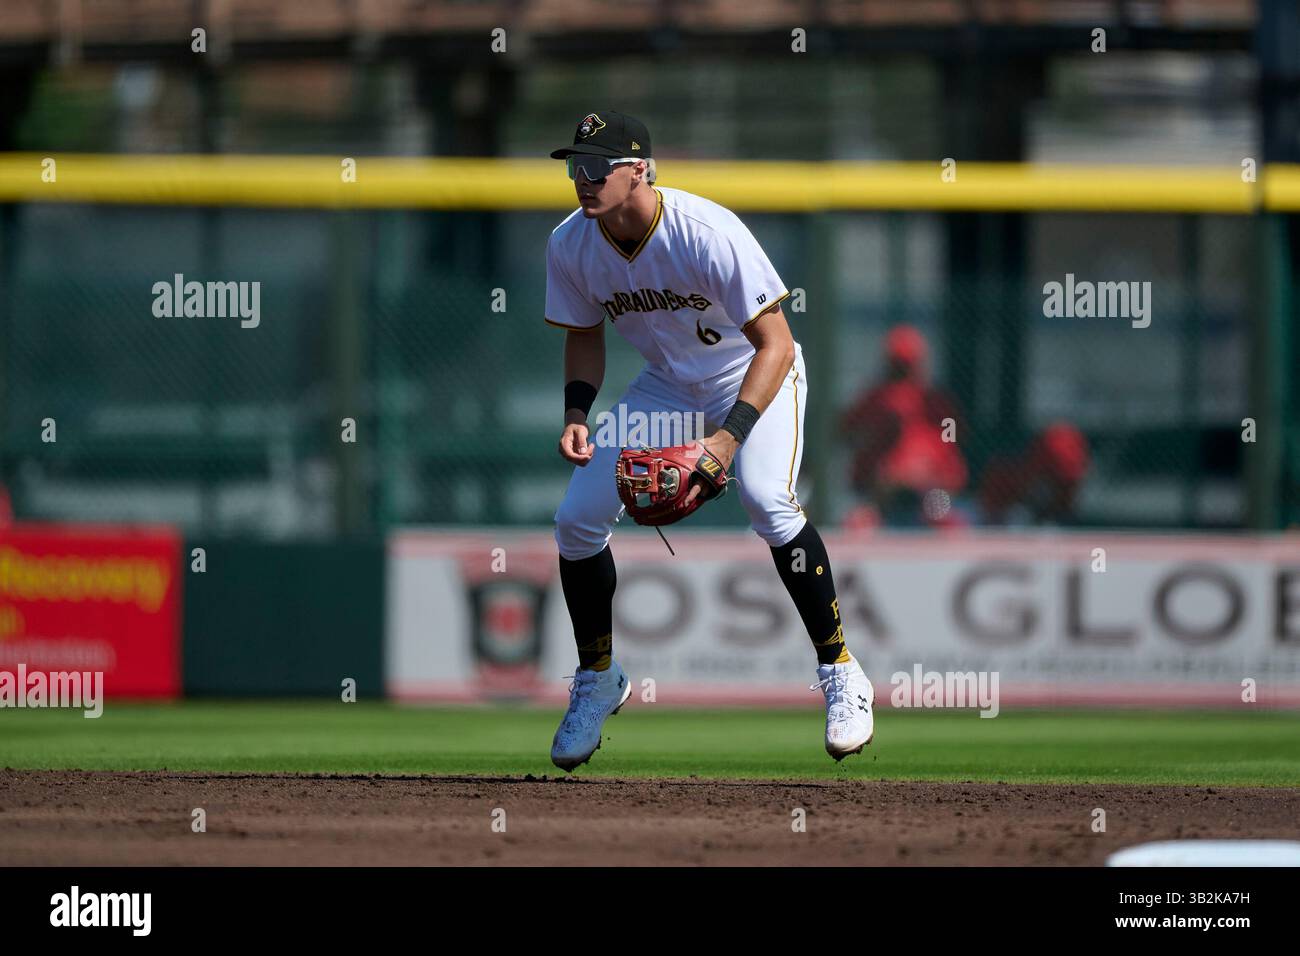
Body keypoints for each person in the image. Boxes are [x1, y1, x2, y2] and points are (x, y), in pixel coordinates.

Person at [544, 111, 873, 771]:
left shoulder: (706, 232)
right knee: (575, 520)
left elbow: (776, 343)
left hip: (753, 378)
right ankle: (596, 677)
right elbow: (584, 334)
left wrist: (727, 439)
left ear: (640, 168)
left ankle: (840, 670)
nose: (583, 178)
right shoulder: (570, 243)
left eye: (597, 165)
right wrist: (578, 411)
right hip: (667, 387)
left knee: (767, 500)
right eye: (576, 165)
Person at [840, 324, 967, 528]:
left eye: (905, 365)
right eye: (898, 364)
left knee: (950, 525)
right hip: (882, 492)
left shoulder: (934, 401)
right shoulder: (876, 397)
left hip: (929, 490)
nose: (901, 371)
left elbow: (954, 449)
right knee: (859, 524)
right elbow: (846, 432)